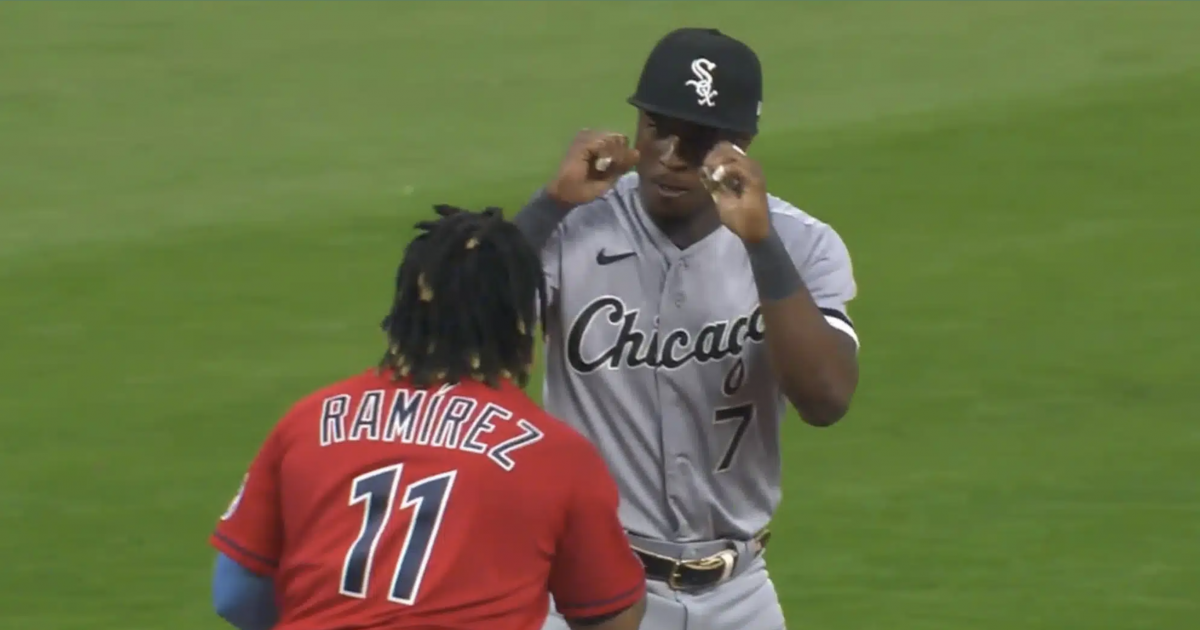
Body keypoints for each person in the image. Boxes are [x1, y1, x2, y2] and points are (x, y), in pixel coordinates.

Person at [512, 28, 861, 630]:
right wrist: (548, 205)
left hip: (738, 595)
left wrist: (760, 244)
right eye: (657, 129)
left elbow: (826, 399)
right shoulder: (574, 227)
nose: (671, 155)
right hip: (588, 588)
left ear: (741, 146)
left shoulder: (801, 243)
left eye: (696, 140)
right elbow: (462, 329)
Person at [209, 204, 647, 630]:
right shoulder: (556, 454)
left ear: (405, 305)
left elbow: (234, 593)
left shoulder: (308, 421)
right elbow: (608, 615)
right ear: (519, 318)